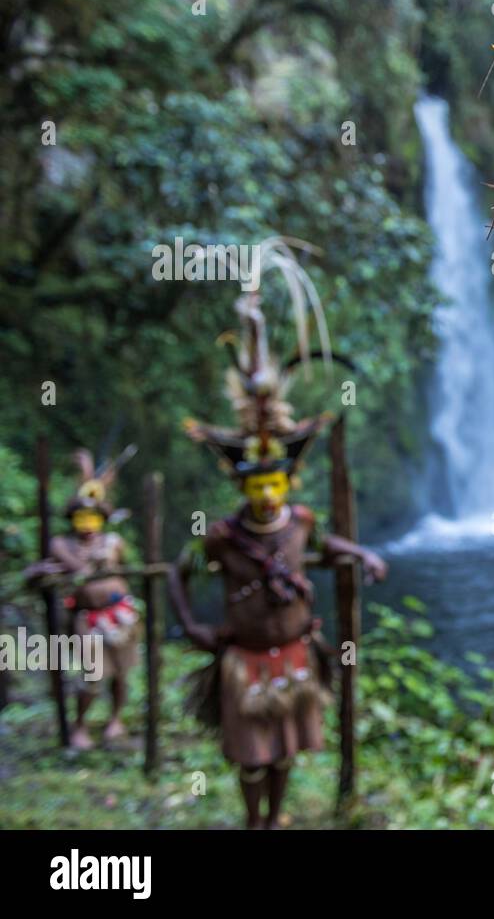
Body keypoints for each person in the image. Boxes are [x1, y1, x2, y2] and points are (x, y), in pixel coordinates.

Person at [169, 293, 386, 829]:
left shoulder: (302, 522)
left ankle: (276, 816)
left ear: (289, 480)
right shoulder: (221, 537)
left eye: (274, 481)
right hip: (244, 661)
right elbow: (180, 570)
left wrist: (359, 551)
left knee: (286, 747)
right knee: (249, 754)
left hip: (294, 657)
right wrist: (192, 625)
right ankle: (255, 822)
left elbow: (321, 548)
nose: (267, 492)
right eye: (256, 482)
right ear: (240, 483)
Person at [25, 447, 139, 750]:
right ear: (72, 519)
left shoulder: (114, 543)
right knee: (93, 674)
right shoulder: (61, 545)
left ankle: (115, 719)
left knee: (121, 673)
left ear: (102, 518)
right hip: (87, 619)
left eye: (93, 518)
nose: (87, 525)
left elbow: (129, 568)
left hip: (121, 614)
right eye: (81, 518)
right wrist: (39, 571)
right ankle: (80, 726)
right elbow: (60, 571)